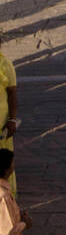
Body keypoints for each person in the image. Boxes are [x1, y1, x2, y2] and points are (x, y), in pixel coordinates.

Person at [0, 37, 18, 197]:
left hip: (2, 123)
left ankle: (6, 196)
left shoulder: (5, 64)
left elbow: (12, 94)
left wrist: (12, 119)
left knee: (3, 160)